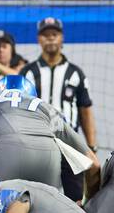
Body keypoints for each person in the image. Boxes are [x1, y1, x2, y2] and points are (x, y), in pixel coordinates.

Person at [20, 16, 96, 196]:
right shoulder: (28, 73)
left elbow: (85, 111)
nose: (50, 38)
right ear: (39, 39)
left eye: (54, 34)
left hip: (69, 143)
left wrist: (91, 146)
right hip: (37, 142)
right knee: (38, 194)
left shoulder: (76, 73)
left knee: (75, 198)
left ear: (62, 38)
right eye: (46, 35)